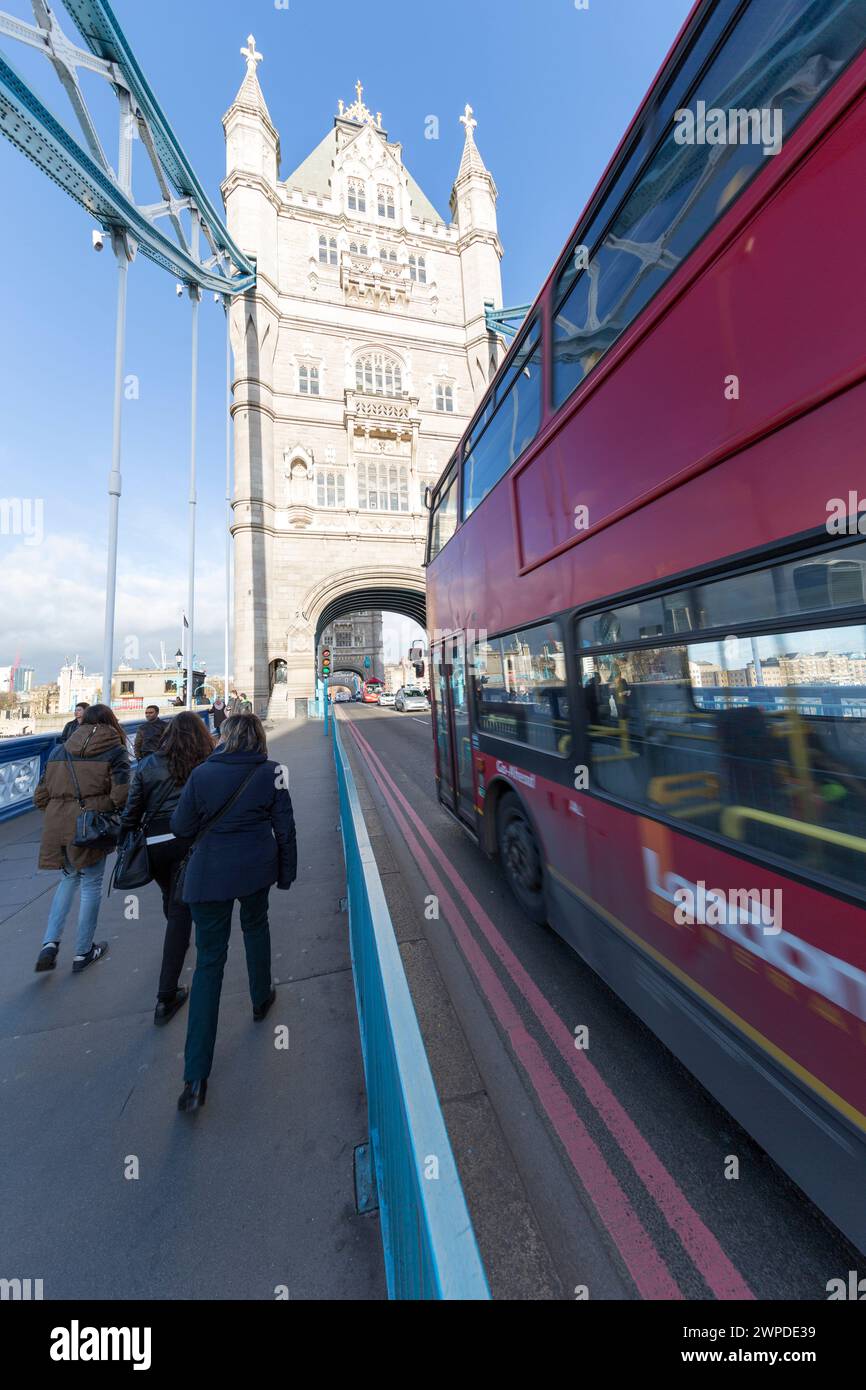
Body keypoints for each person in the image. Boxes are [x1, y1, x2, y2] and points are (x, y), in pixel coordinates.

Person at [170, 713, 296, 1112]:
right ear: (259, 738)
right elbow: (286, 829)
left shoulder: (202, 774)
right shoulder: (273, 772)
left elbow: (180, 827)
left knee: (209, 963)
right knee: (257, 927)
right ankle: (261, 999)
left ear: (224, 738)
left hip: (209, 877)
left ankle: (195, 1079)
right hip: (256, 869)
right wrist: (286, 873)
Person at [119, 711, 215, 1025]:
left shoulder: (146, 765)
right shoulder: (207, 761)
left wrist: (124, 840)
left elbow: (132, 812)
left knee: (172, 900)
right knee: (180, 910)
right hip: (191, 841)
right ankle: (165, 995)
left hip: (157, 844)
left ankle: (178, 941)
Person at [33, 704, 130, 973]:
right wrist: (101, 810)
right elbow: (121, 794)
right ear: (111, 721)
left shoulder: (58, 750)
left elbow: (40, 795)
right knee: (90, 884)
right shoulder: (116, 751)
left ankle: (49, 943)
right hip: (91, 825)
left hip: (57, 822)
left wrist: (58, 811)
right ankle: (83, 951)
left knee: (67, 879)